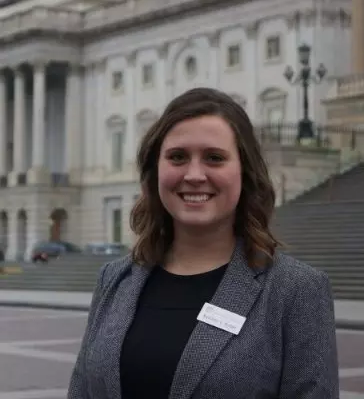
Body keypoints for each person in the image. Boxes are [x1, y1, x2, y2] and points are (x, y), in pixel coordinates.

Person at [68, 87, 339, 399]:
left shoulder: (296, 291)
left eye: (214, 158)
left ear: (245, 172)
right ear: (156, 170)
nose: (194, 174)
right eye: (178, 157)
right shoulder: (114, 280)